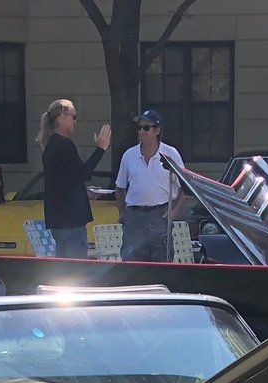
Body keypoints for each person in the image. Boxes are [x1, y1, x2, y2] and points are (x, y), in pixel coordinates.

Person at [38, 98, 111, 259]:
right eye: (73, 116)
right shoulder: (64, 145)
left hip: (59, 220)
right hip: (70, 221)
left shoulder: (50, 146)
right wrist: (101, 148)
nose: (75, 121)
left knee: (63, 272)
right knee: (76, 272)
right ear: (61, 117)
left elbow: (65, 182)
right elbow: (82, 173)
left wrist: (84, 192)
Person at [114, 109, 184, 262]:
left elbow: (184, 189)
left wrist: (173, 213)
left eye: (146, 128)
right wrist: (123, 213)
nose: (141, 131)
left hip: (160, 214)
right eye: (139, 128)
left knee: (162, 263)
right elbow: (120, 188)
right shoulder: (129, 155)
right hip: (134, 216)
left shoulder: (171, 154)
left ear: (157, 130)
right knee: (132, 265)